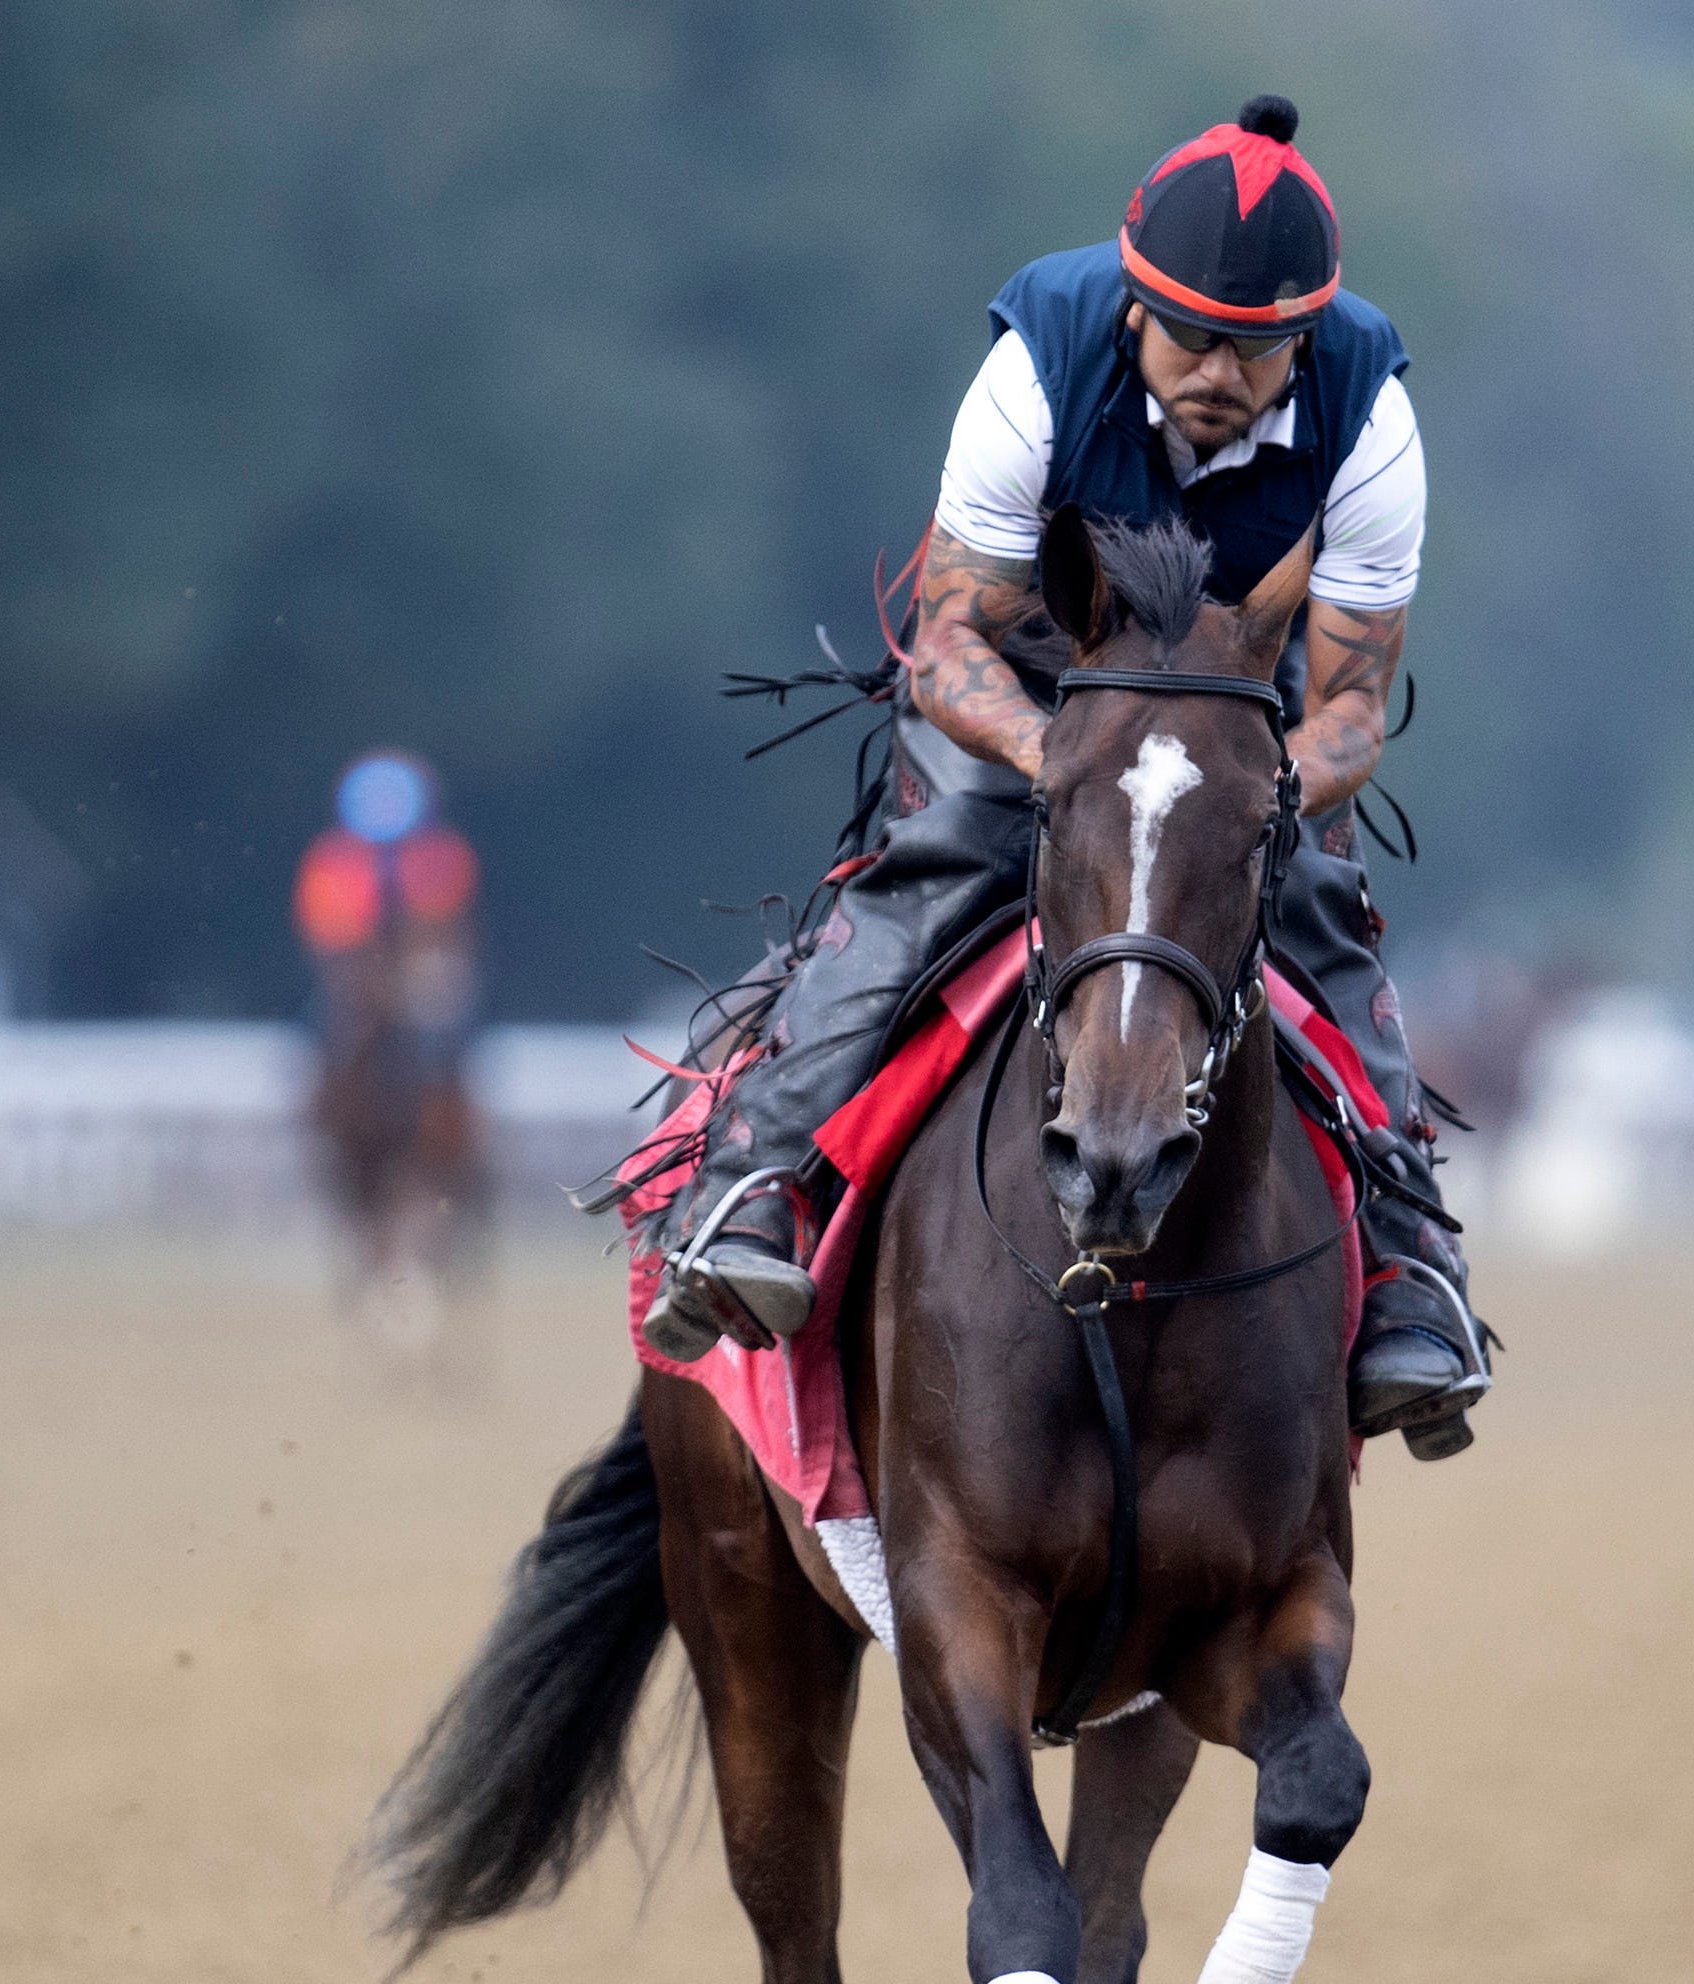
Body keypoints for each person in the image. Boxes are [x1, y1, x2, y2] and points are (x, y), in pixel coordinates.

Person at [635, 94, 1493, 1458]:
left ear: (1307, 343)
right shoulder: (1039, 361)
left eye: (1259, 348)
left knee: (1320, 902)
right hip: (1031, 696)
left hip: (1232, 715)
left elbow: (1346, 706)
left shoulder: (1370, 405)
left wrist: (1255, 807)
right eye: (1193, 335)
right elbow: (950, 640)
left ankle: (1410, 1271)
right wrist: (1066, 765)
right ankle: (751, 1188)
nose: (1220, 370)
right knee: (936, 873)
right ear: (1132, 306)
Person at [296, 750, 481, 1076]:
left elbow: (448, 922)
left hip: (420, 967)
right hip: (354, 970)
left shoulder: (442, 853)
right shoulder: (332, 858)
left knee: (446, 1028)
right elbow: (324, 927)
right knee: (327, 1029)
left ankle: (452, 1106)